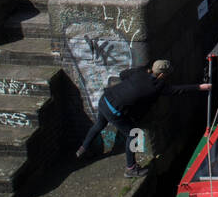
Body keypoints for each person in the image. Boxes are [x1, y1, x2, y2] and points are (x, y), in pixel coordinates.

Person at [77, 60, 209, 178]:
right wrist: (200, 87)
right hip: (114, 110)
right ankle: (131, 169)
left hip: (105, 99)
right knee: (134, 134)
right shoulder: (157, 87)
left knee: (99, 125)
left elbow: (123, 75)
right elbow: (177, 90)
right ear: (162, 75)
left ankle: (83, 149)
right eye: (167, 75)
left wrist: (131, 88)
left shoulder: (140, 72)